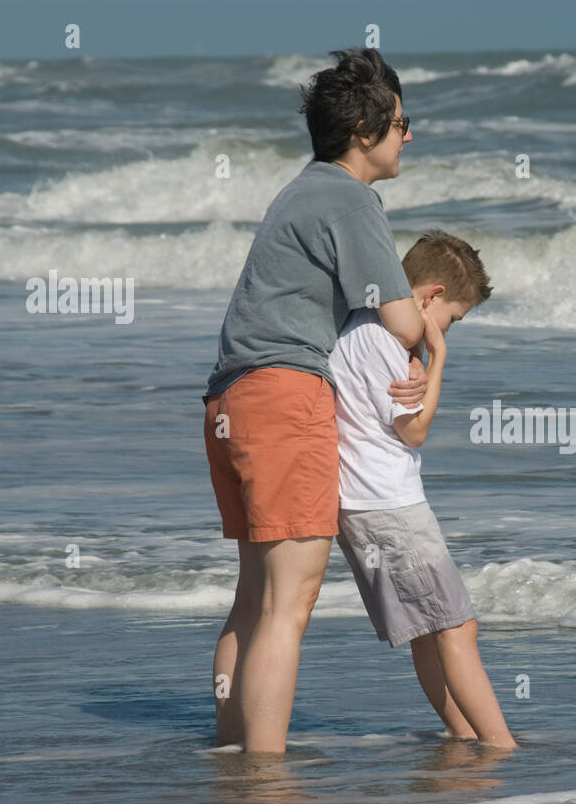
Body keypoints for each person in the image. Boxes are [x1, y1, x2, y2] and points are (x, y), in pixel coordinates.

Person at [203, 47, 425, 753]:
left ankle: (233, 755)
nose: (408, 135)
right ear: (365, 129)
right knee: (288, 605)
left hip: (229, 398)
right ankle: (264, 777)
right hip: (284, 397)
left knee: (252, 598)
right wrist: (432, 345)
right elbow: (403, 319)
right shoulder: (350, 197)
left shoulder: (299, 190)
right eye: (401, 122)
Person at [330, 231, 517, 748]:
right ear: (430, 297)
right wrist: (438, 359)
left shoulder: (359, 327)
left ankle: (463, 736)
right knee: (458, 628)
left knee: (429, 633)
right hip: (389, 505)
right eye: (452, 318)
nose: (449, 329)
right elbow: (413, 429)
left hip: (362, 505)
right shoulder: (386, 341)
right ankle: (501, 747)